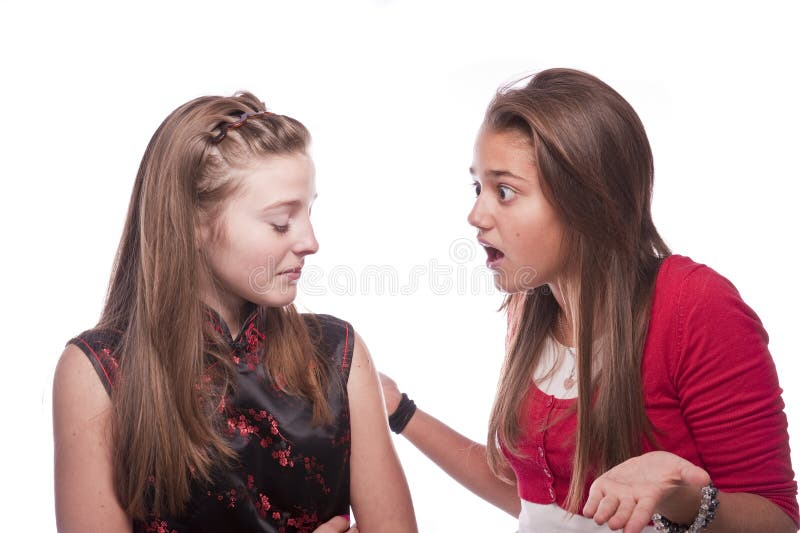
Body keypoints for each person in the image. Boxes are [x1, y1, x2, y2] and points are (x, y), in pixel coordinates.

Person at [381, 68, 798, 532]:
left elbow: (777, 520)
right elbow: (535, 501)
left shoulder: (694, 306)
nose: (476, 214)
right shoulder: (532, 308)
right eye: (477, 187)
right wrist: (400, 410)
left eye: (504, 191)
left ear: (585, 200)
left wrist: (683, 498)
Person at [52, 92, 417, 533]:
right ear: (193, 224)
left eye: (309, 212)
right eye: (281, 222)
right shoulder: (99, 372)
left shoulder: (339, 354)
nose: (310, 241)